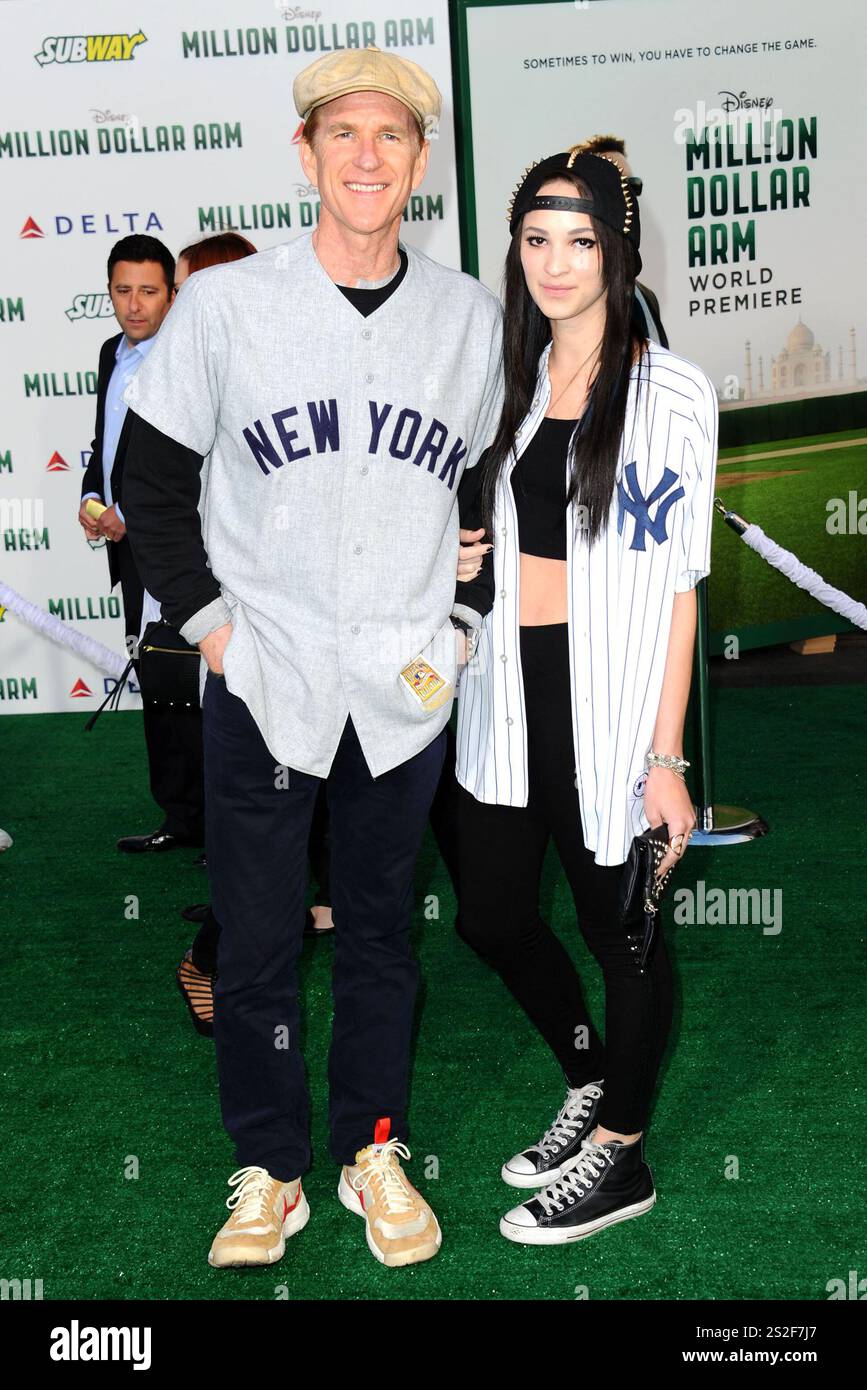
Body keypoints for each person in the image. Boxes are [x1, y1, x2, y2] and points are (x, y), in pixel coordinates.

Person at [121, 45, 502, 1269]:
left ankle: (371, 1147)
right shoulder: (228, 306)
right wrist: (213, 628)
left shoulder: (468, 319)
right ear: (306, 153)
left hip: (401, 685)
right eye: (344, 133)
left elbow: (492, 487)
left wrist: (462, 623)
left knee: (386, 928)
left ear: (420, 161)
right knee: (259, 928)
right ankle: (272, 1170)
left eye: (391, 135)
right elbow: (151, 480)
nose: (369, 157)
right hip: (268, 675)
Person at [454, 146, 717, 1244]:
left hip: (605, 702)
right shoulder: (499, 377)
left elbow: (676, 592)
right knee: (491, 915)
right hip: (500, 692)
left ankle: (624, 1153)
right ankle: (589, 1081)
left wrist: (667, 761)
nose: (556, 263)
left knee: (627, 937)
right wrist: (462, 559)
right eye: (535, 239)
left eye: (580, 240)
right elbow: (490, 532)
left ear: (616, 250)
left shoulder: (670, 392)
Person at [78, 235, 206, 854]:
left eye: (149, 291)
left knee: (199, 681)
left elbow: (196, 465)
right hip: (129, 549)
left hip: (180, 548)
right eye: (122, 290)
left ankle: (220, 824)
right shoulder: (110, 352)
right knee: (159, 680)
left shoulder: (189, 359)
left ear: (172, 294)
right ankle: (180, 817)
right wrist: (91, 498)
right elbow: (106, 448)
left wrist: (136, 514)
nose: (134, 305)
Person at [573, 134, 669, 348]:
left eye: (632, 187)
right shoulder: (563, 297)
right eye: (616, 184)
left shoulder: (645, 298)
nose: (627, 197)